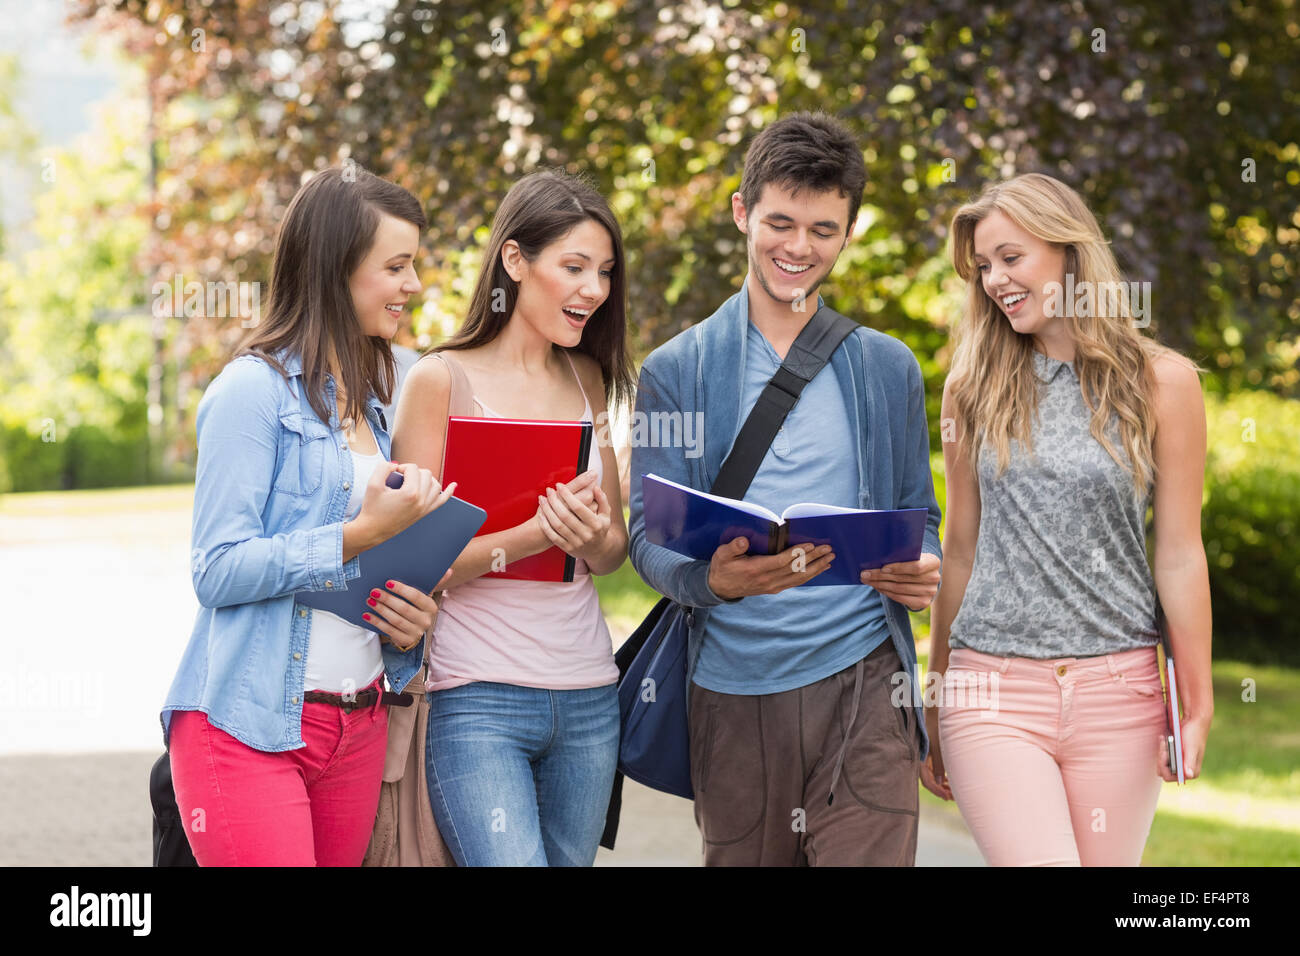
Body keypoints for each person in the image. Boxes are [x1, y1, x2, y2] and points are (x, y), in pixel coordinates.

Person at [627, 111, 943, 866]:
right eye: (781, 222)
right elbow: (646, 535)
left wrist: (922, 564)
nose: (799, 248)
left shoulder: (887, 367)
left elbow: (919, 513)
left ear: (849, 231)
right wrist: (710, 580)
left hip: (866, 681)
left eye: (824, 230)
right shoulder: (677, 370)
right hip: (733, 695)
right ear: (742, 212)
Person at [161, 166, 457, 866]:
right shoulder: (250, 392)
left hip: (357, 723)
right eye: (396, 266)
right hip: (245, 725)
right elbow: (217, 568)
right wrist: (361, 533)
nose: (413, 285)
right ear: (334, 270)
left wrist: (410, 619)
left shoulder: (380, 401)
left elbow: (370, 575)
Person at [926, 172, 1213, 866]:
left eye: (1010, 257)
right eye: (985, 267)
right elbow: (959, 549)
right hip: (991, 691)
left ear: (1069, 251)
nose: (995, 279)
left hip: (1123, 695)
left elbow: (1177, 553)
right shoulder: (973, 388)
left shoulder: (1164, 383)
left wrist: (1197, 701)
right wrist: (934, 697)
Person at [391, 169, 635, 867]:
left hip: (588, 696)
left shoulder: (589, 379)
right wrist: (533, 535)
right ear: (516, 260)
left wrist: (594, 538)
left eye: (605, 272)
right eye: (575, 266)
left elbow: (613, 548)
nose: (594, 289)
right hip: (477, 699)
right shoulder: (440, 381)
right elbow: (411, 569)